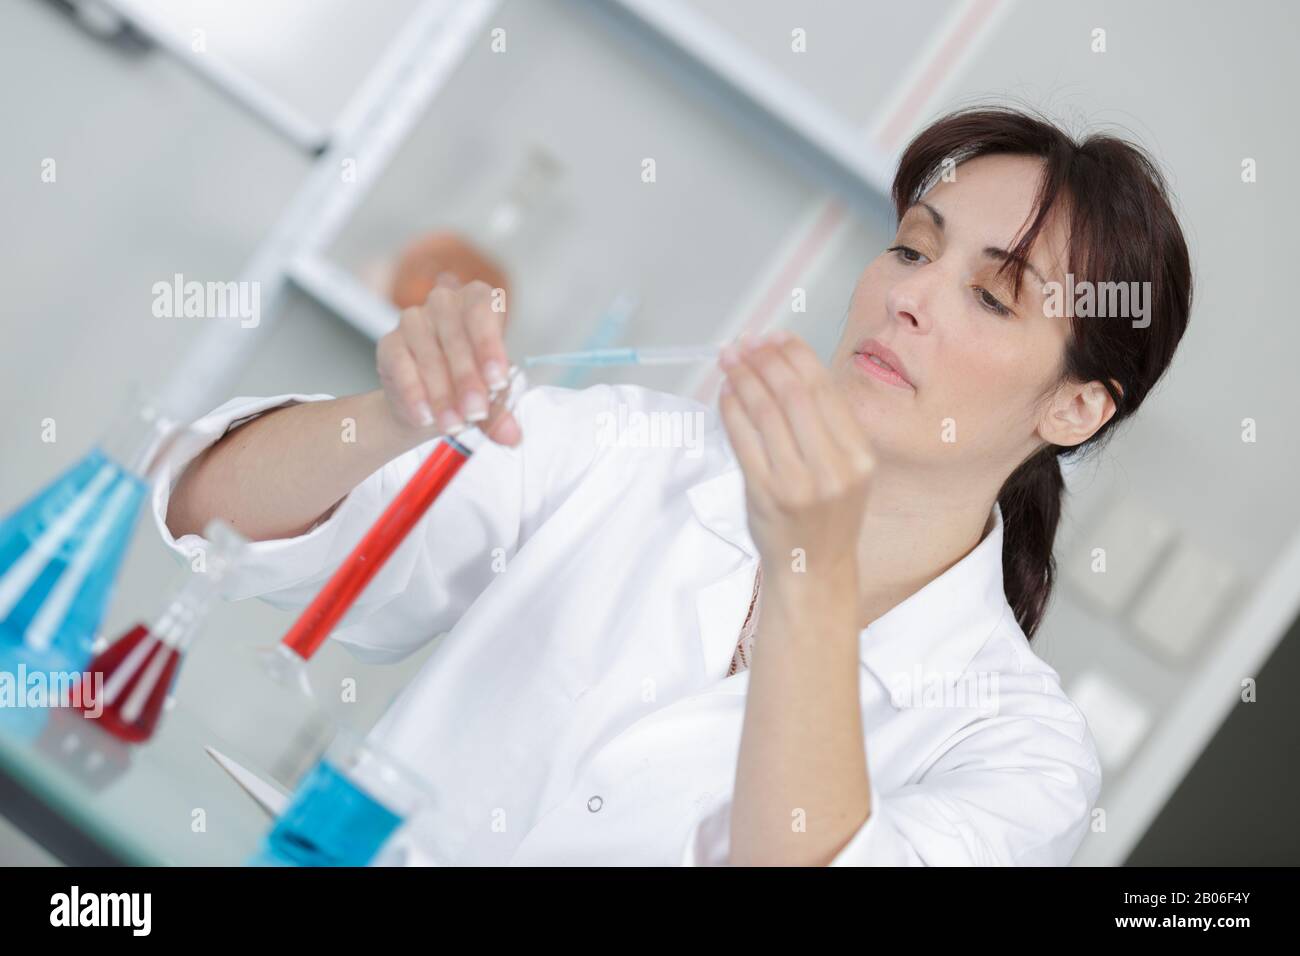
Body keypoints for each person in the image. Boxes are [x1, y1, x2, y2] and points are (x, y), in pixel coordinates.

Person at [159, 106, 1192, 865]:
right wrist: (395, 413)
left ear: (1074, 409)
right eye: (910, 247)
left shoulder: (1019, 747)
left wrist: (811, 569)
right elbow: (211, 511)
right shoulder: (632, 450)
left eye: (991, 295)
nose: (907, 294)